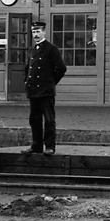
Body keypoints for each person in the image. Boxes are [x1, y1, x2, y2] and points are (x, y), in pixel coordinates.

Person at [23, 21, 67, 155]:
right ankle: (36, 145)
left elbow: (61, 68)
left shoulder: (51, 48)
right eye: (34, 32)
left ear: (44, 32)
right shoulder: (31, 49)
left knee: (49, 120)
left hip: (46, 90)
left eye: (38, 31)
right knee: (34, 120)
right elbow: (28, 68)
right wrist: (26, 81)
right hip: (33, 91)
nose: (36, 34)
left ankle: (49, 146)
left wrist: (51, 82)